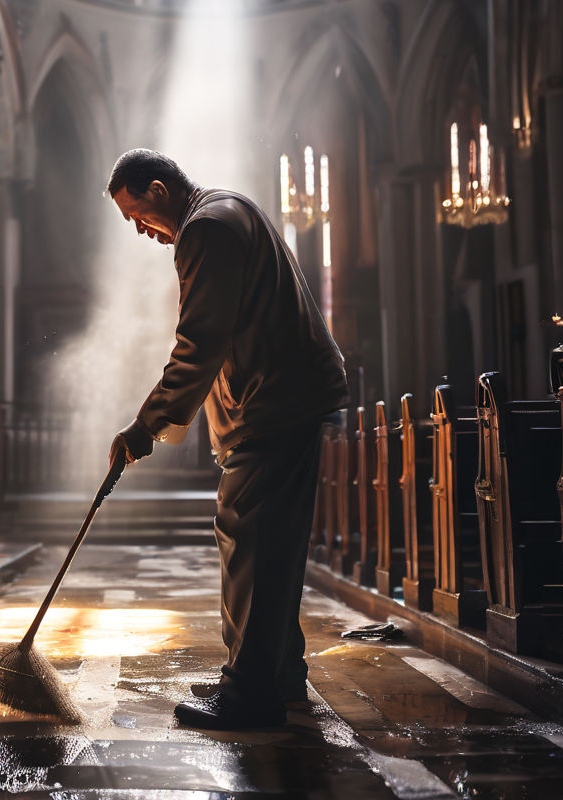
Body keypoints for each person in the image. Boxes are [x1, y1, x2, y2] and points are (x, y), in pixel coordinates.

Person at [106, 148, 348, 730]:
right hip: (284, 398)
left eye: (138, 216)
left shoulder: (206, 228)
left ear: (159, 189)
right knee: (274, 550)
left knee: (251, 545)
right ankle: (276, 677)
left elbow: (201, 344)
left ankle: (250, 696)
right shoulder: (225, 212)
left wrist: (143, 428)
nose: (142, 232)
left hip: (272, 403)